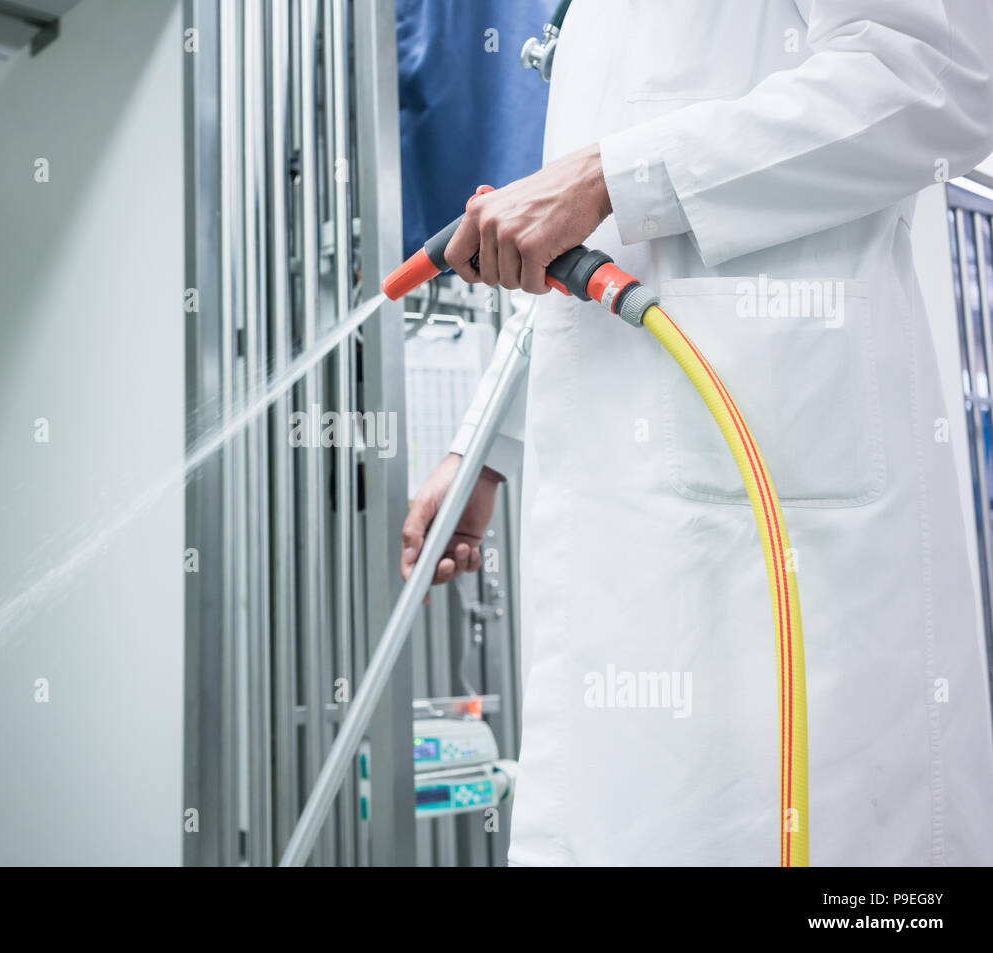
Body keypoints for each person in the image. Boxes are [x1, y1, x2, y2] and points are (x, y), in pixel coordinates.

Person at [401, 0, 993, 865]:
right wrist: (489, 443)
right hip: (643, 512)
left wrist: (613, 175)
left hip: (788, 509)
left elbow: (938, 75)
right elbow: (596, 256)